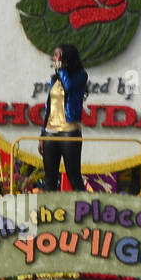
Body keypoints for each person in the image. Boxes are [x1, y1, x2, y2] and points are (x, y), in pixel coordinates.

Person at [40, 44, 88, 191]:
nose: (55, 59)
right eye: (55, 56)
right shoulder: (55, 79)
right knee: (49, 178)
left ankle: (84, 211)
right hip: (50, 131)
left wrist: (61, 68)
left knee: (73, 175)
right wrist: (42, 133)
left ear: (66, 57)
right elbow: (49, 107)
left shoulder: (81, 75)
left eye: (57, 56)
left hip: (69, 130)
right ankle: (48, 212)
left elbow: (69, 86)